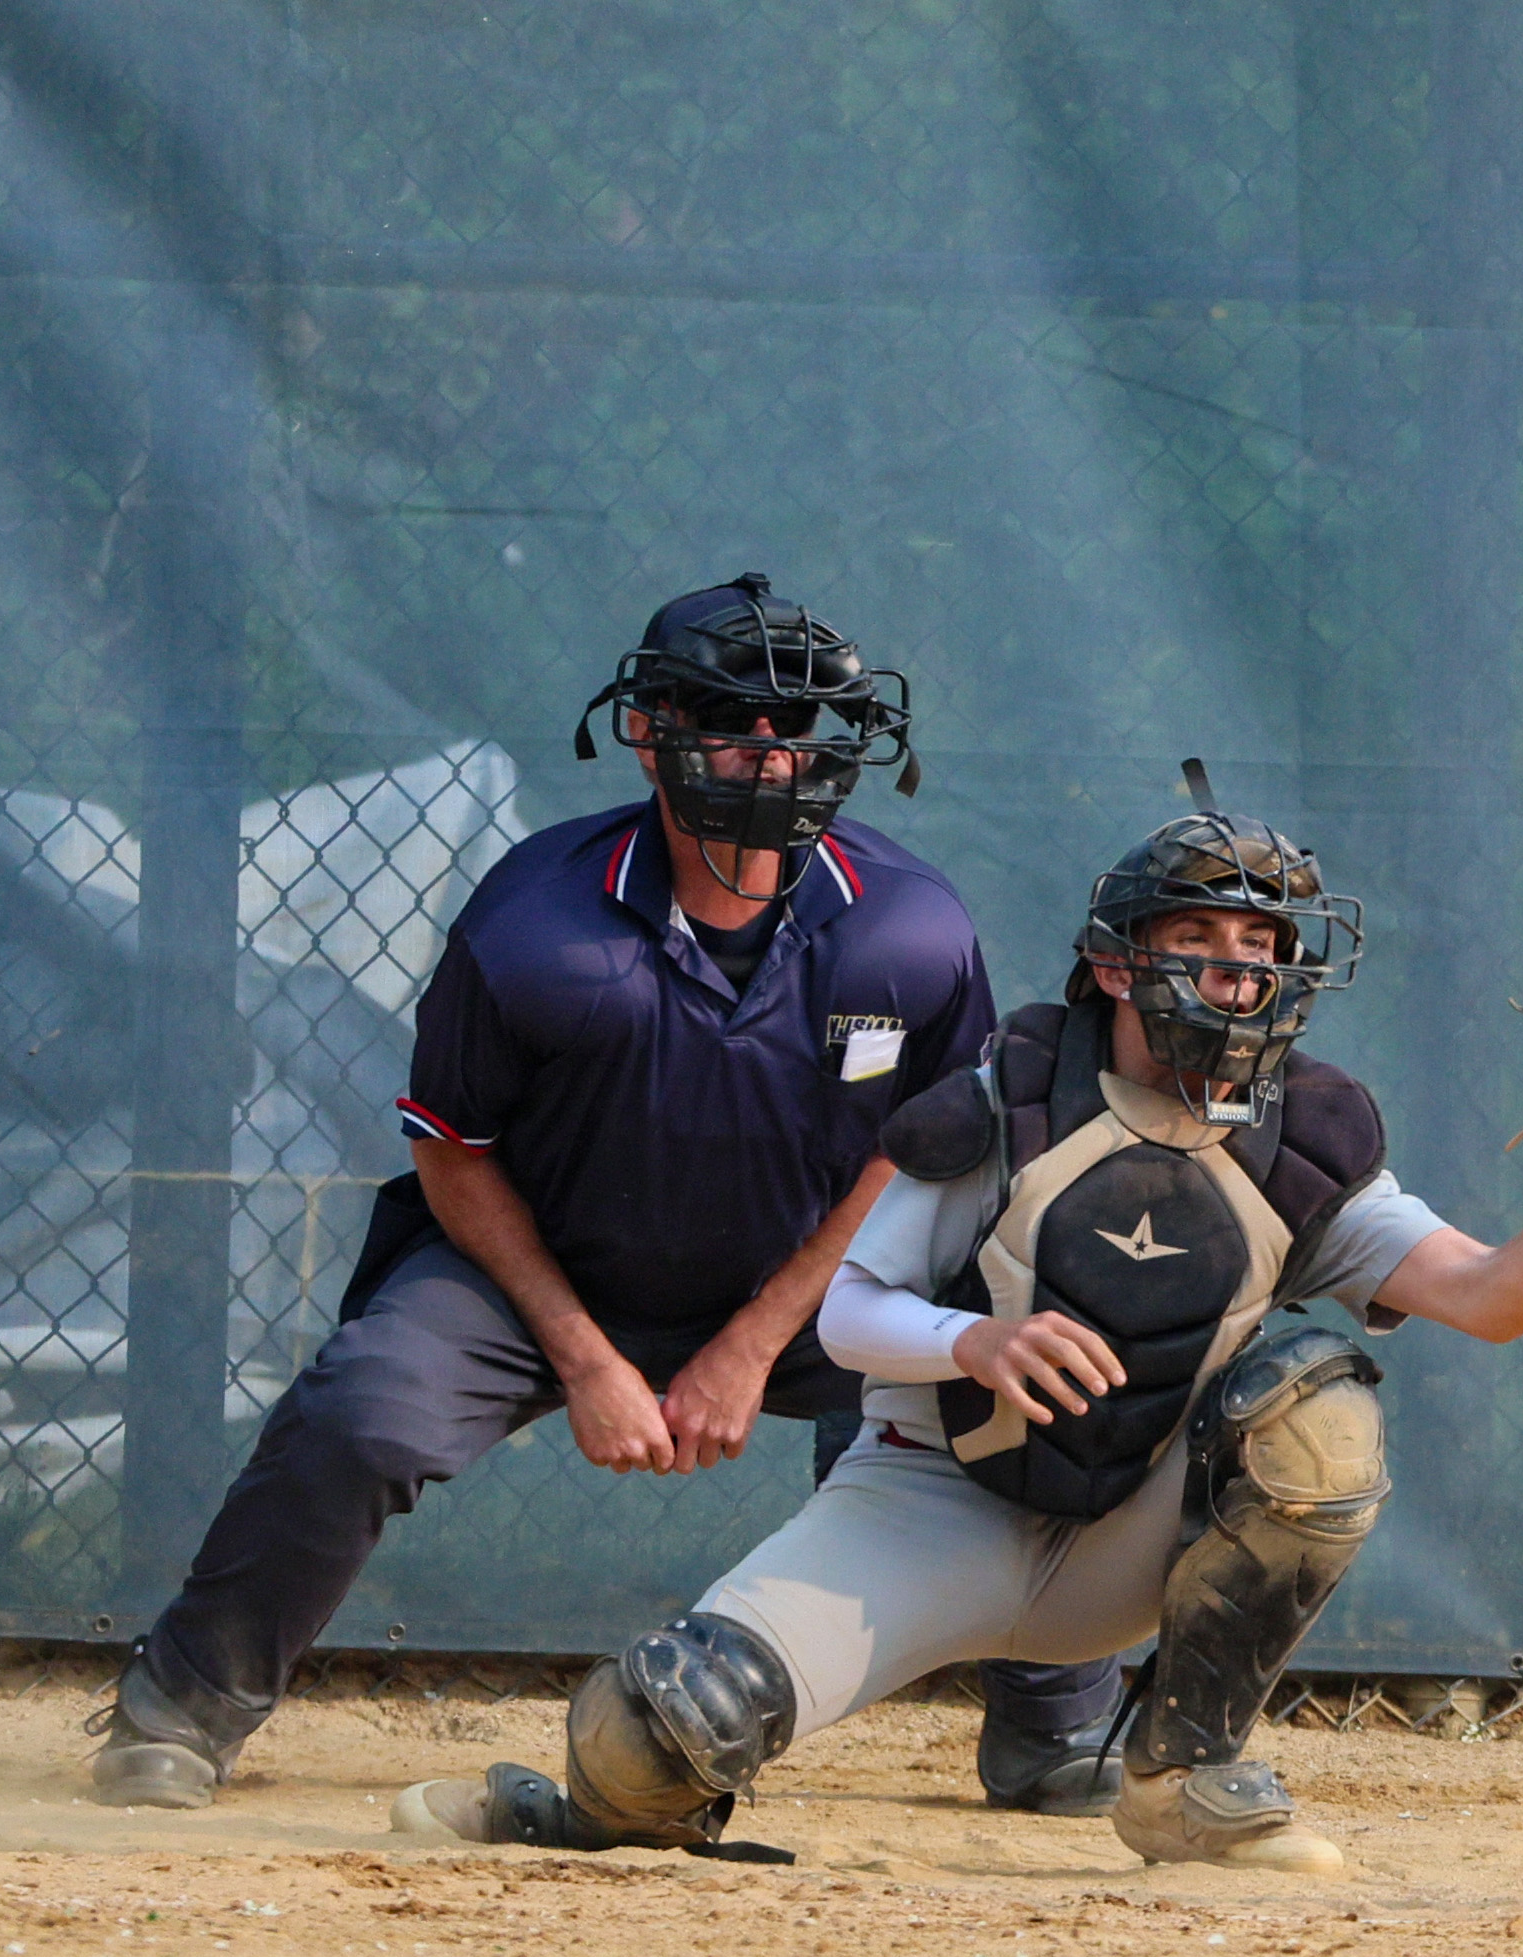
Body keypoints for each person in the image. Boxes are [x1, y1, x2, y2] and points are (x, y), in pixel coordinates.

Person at [393, 774, 1523, 1873]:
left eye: (1261, 944)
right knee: (661, 1729)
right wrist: (974, 1342)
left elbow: (1489, 1299)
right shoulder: (1009, 1099)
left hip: (1125, 1536)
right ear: (1116, 961)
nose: (1237, 968)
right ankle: (573, 1812)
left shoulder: (1304, 1138)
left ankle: (1184, 1780)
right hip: (927, 1505)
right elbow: (848, 1315)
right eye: (1198, 936)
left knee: (1317, 1411)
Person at [87, 573, 1120, 1817]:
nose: (768, 750)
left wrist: (753, 1342)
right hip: (544, 1274)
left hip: (806, 1289)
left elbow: (913, 1157)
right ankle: (180, 1706)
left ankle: (1059, 1730)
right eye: (728, 717)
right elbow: (454, 1152)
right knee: (364, 1410)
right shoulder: (535, 918)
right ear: (646, 729)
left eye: (794, 723)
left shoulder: (907, 927)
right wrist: (584, 1358)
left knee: (1020, 1379)